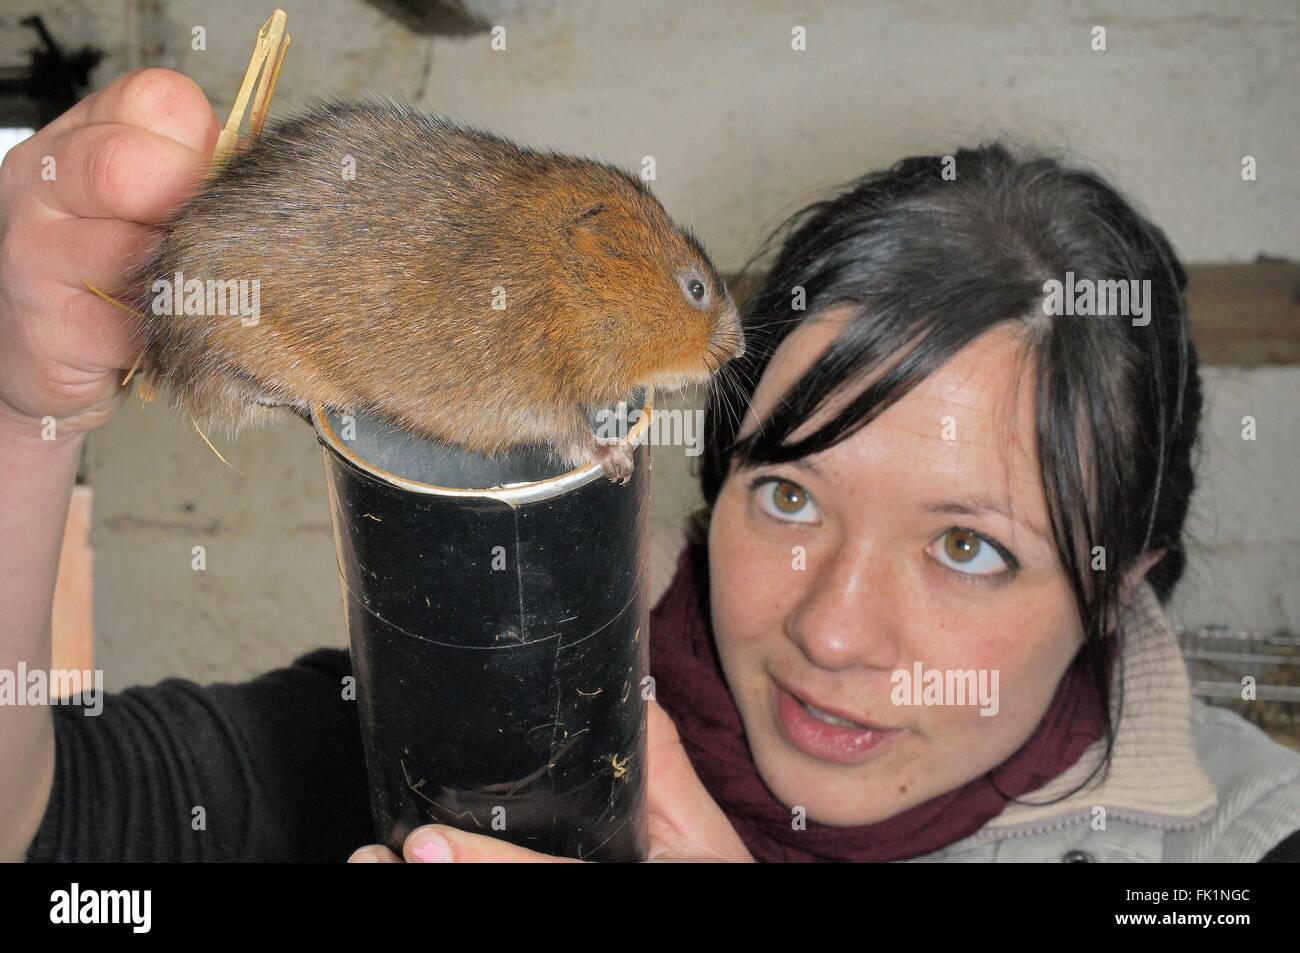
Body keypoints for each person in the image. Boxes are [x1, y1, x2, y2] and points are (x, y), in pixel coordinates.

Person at [2, 70, 1296, 864]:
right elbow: (47, 840)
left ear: (1122, 578)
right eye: (789, 495)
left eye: (970, 546)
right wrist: (19, 420)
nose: (833, 630)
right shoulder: (460, 720)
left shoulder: (1239, 845)